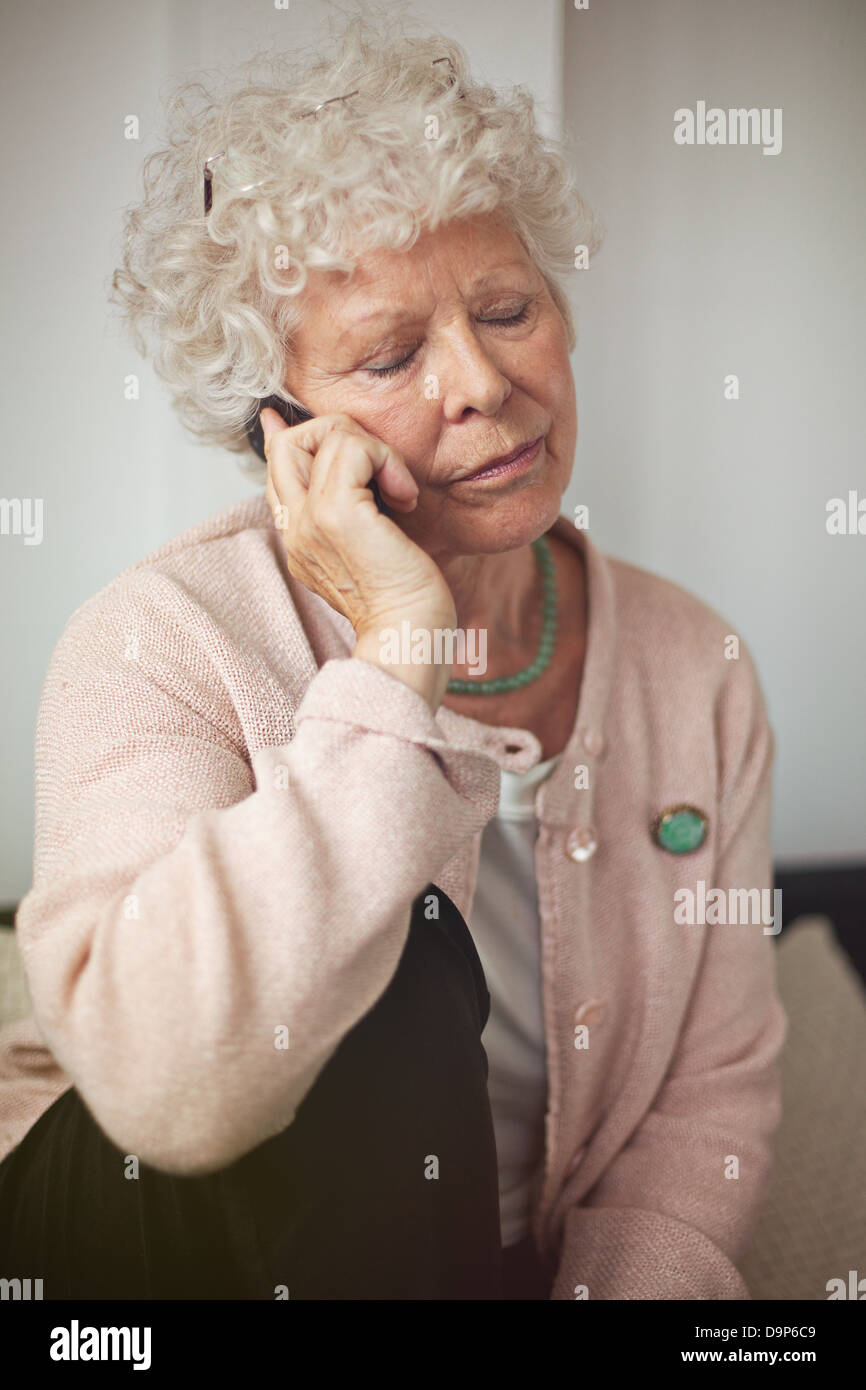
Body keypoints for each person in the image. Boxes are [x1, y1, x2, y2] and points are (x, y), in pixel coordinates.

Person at [0, 16, 786, 1300]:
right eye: (391, 355)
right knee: (397, 970)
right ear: (282, 431)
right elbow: (163, 1090)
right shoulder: (155, 638)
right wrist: (397, 655)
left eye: (505, 309)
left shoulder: (693, 663)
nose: (479, 382)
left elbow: (711, 1085)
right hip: (139, 1249)